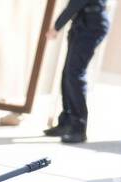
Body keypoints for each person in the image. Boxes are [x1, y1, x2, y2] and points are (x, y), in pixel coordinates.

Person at [45, 0, 110, 144]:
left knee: (74, 74)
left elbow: (76, 3)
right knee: (68, 74)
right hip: (81, 24)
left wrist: (56, 27)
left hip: (91, 26)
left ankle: (78, 128)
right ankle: (67, 122)